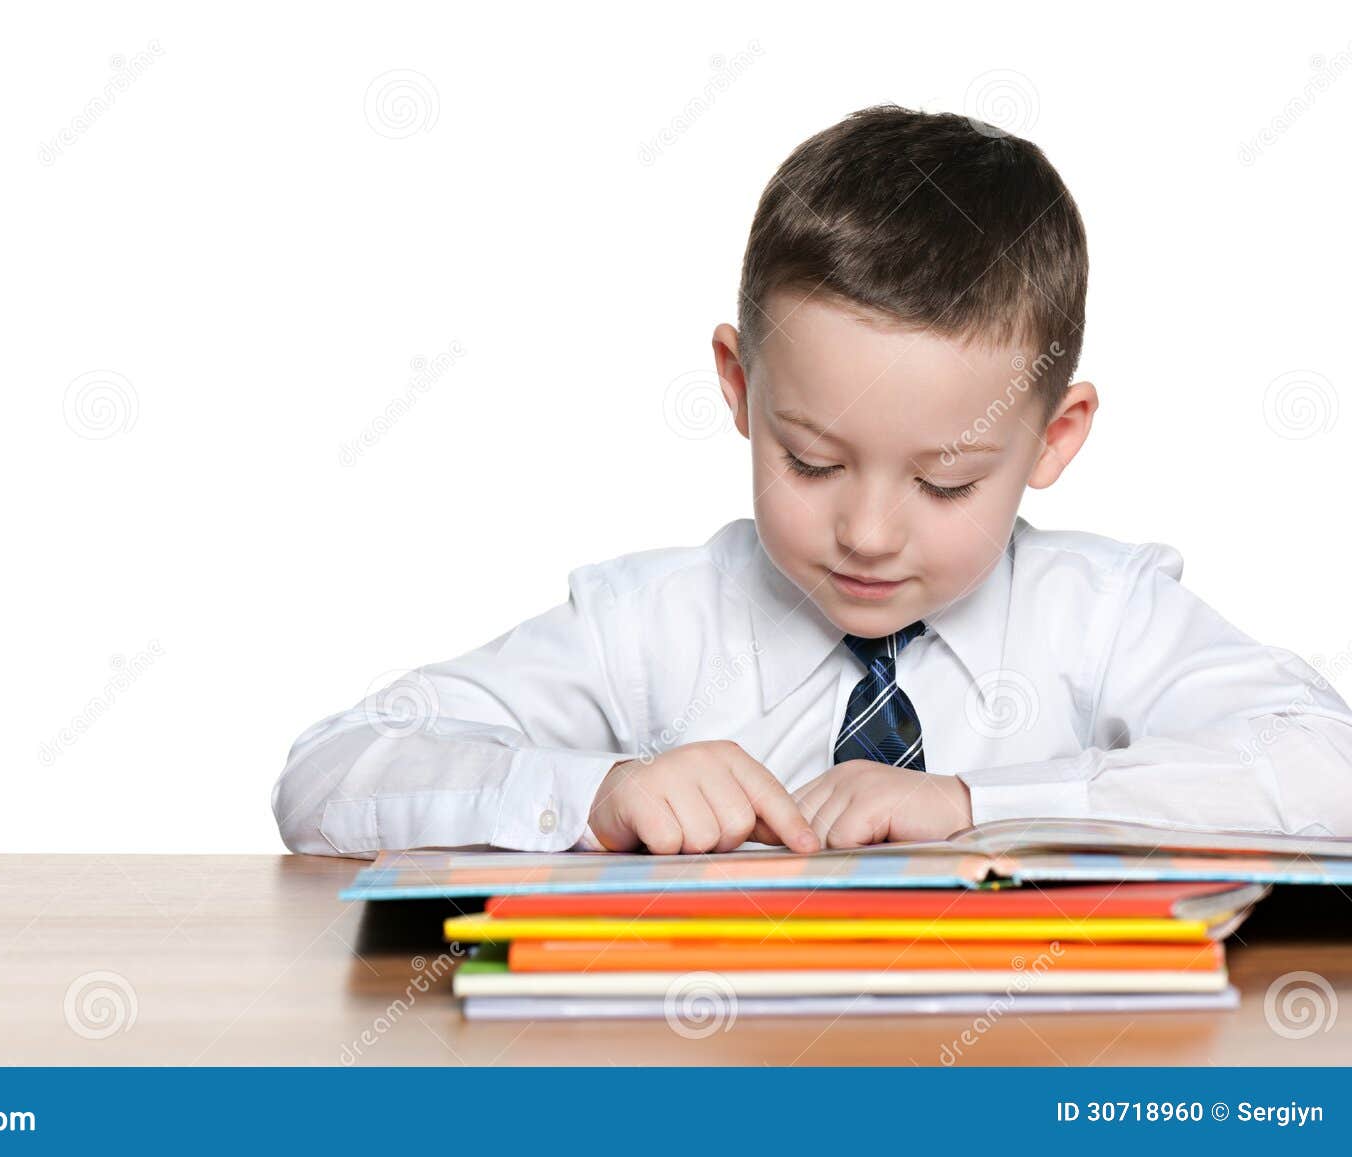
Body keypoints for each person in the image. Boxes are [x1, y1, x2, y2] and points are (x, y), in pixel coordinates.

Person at [273, 105, 1352, 858]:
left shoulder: (1105, 619)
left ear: (1053, 438)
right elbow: (330, 773)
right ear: (739, 387)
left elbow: (1326, 769)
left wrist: (981, 804)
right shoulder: (651, 625)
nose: (869, 531)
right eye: (812, 462)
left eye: (947, 480)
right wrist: (590, 794)